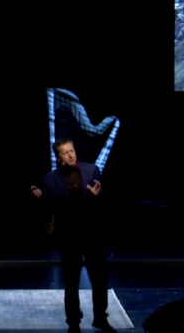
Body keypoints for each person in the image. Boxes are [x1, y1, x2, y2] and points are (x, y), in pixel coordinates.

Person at [31, 138, 116, 333]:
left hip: (93, 234)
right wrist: (39, 197)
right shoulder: (50, 179)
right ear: (59, 158)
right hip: (69, 236)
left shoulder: (91, 170)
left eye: (72, 150)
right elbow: (47, 203)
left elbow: (105, 200)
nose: (71, 155)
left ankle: (101, 318)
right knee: (71, 281)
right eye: (66, 152)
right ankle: (74, 322)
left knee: (99, 279)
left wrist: (97, 196)